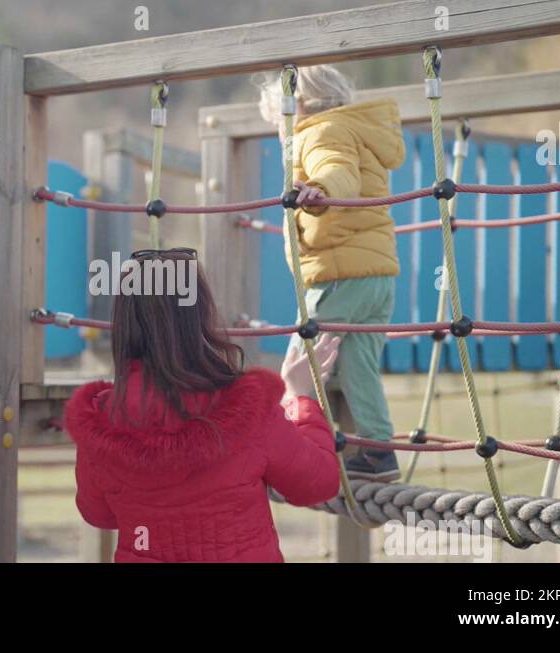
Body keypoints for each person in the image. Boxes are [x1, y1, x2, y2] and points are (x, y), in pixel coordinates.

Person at [63, 248, 341, 562]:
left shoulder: (104, 417)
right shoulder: (244, 406)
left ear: (126, 321)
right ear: (200, 314)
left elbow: (98, 512)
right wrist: (300, 397)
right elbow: (318, 482)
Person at [257, 64, 405, 481]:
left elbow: (338, 170)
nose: (280, 133)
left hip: (339, 273)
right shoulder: (359, 131)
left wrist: (320, 189)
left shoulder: (321, 132)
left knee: (300, 356)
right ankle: (378, 452)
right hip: (377, 277)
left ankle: (289, 451)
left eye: (278, 122)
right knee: (360, 367)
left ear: (298, 107)